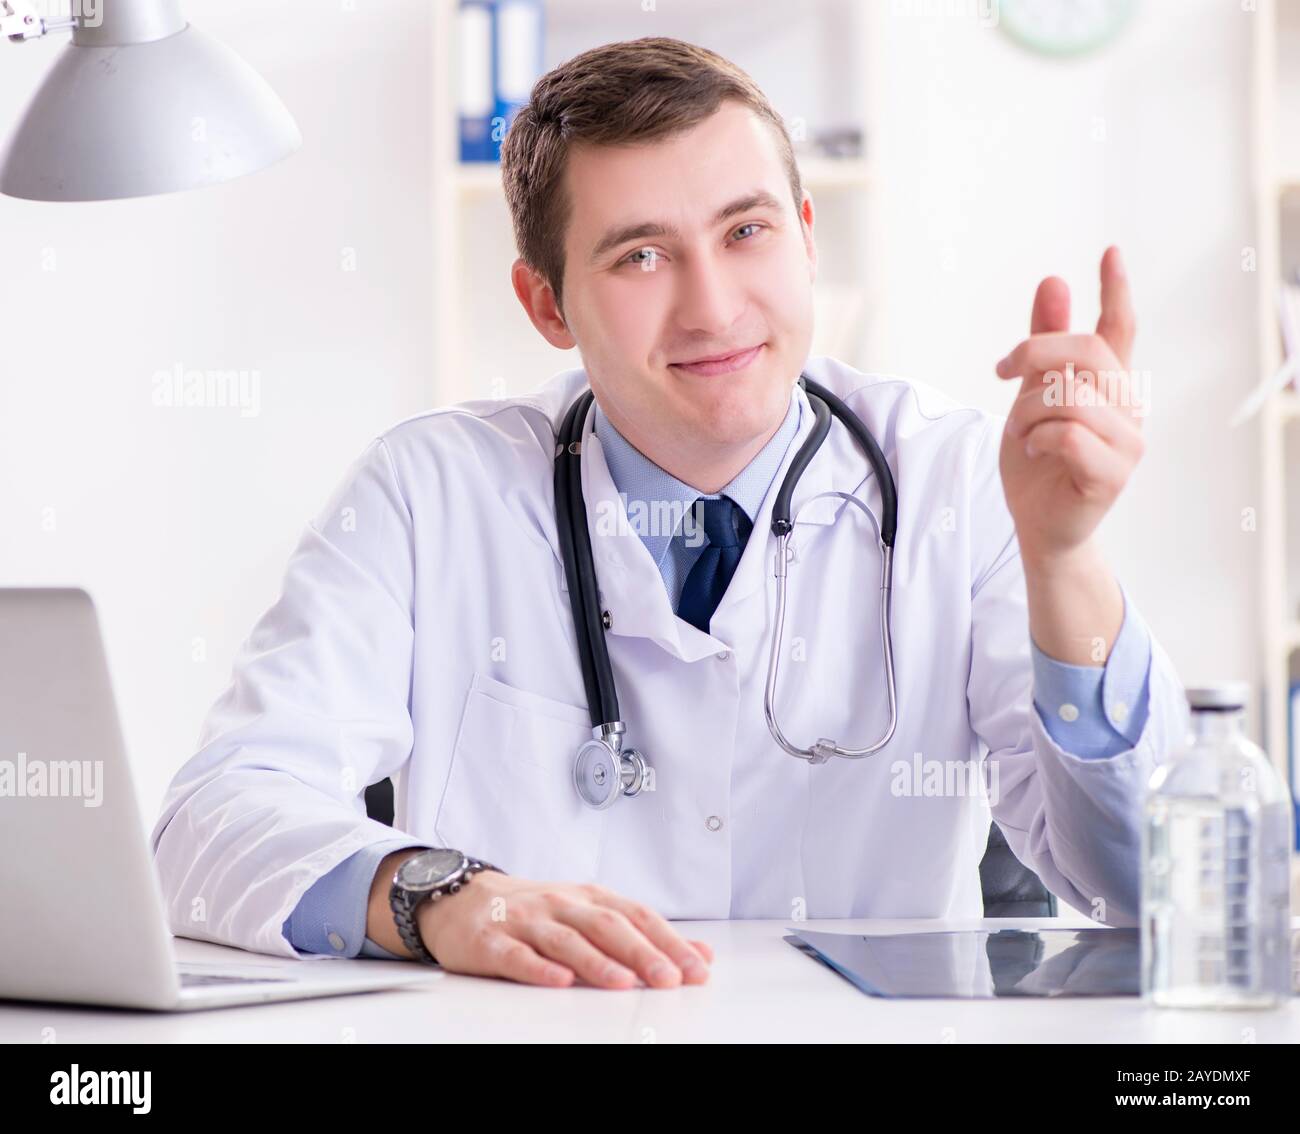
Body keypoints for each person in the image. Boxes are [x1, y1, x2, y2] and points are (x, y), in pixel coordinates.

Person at [151, 37, 1183, 990]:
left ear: (805, 238)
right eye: (640, 255)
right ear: (545, 303)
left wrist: (1066, 562)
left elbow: (1154, 890)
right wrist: (437, 894)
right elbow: (208, 826)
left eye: (746, 231)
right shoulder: (431, 494)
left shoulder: (956, 480)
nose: (712, 305)